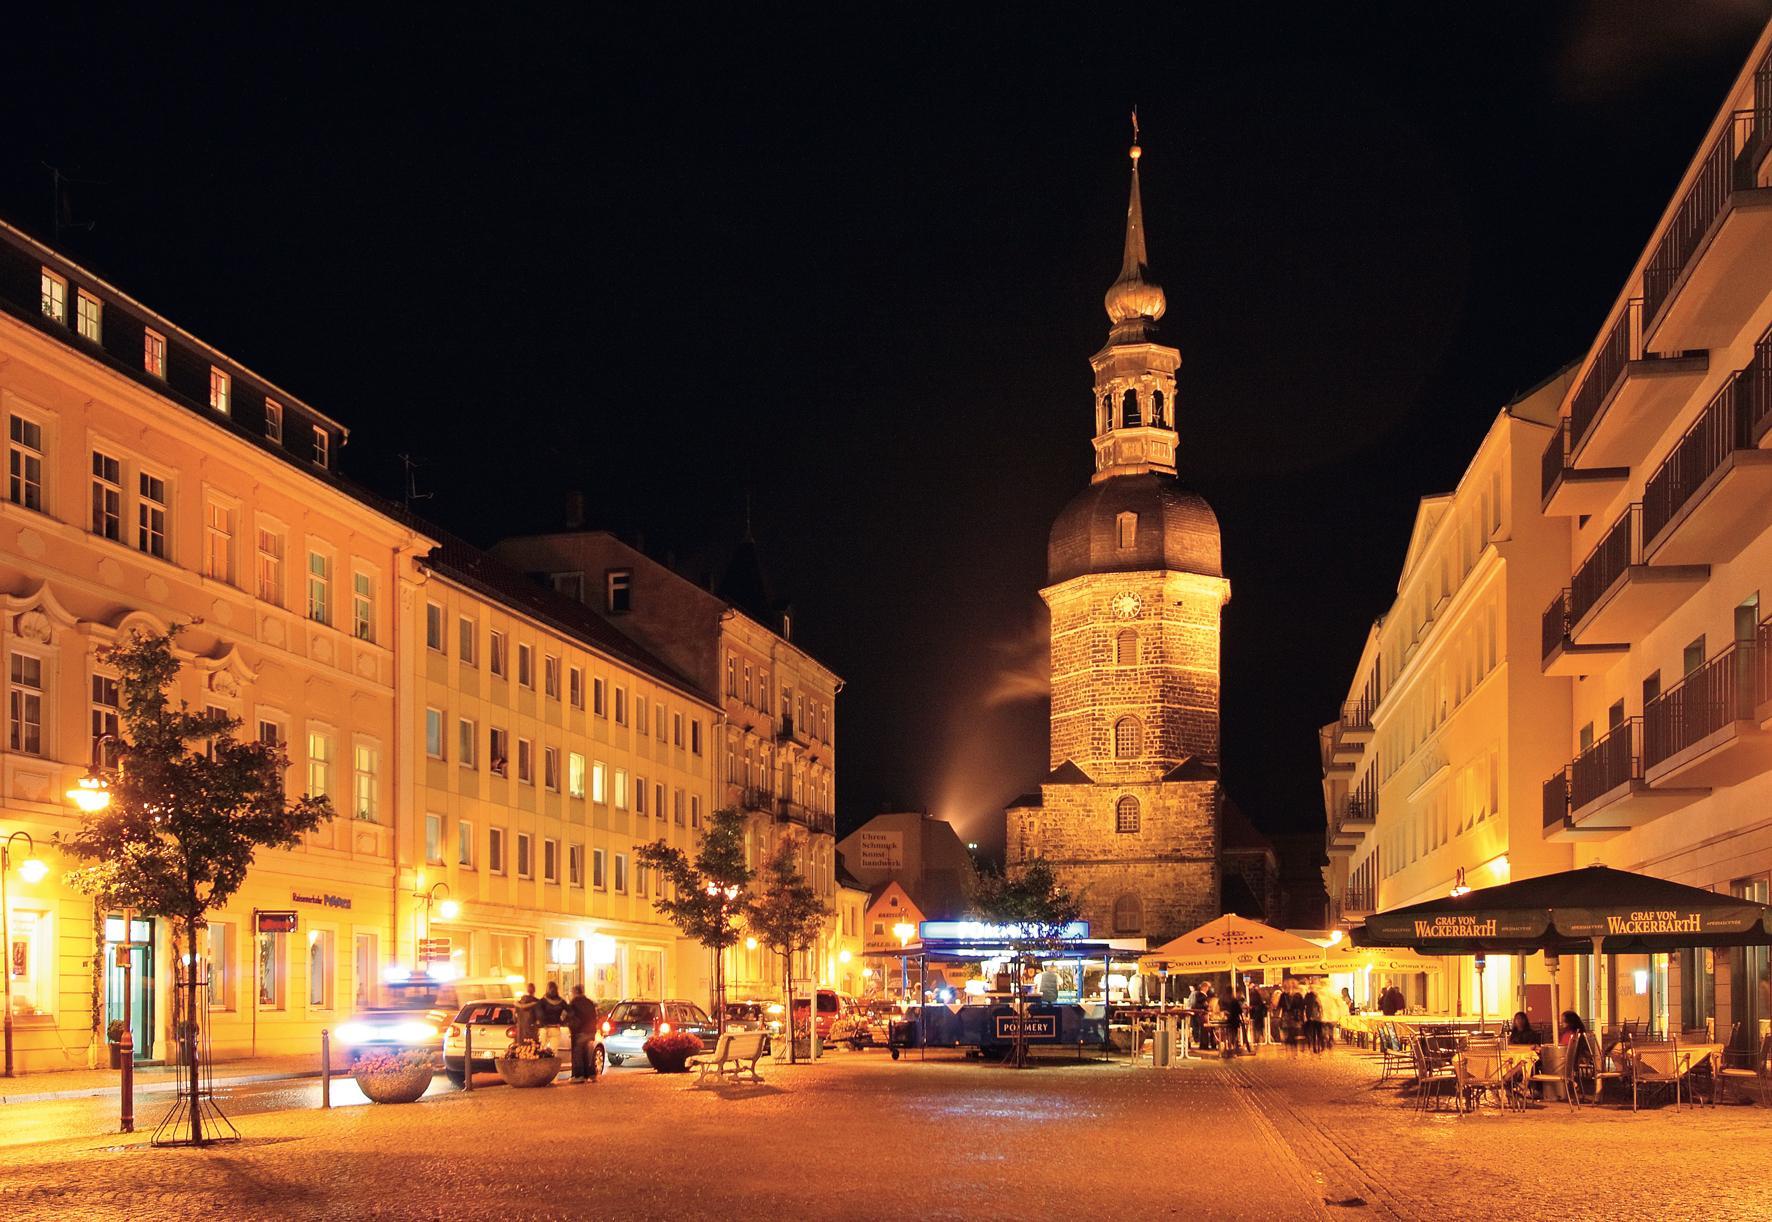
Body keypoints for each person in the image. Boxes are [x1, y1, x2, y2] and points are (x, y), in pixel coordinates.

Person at [566, 985, 599, 1083]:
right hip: (591, 1031)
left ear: (575, 992)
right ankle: (591, 1074)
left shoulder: (574, 1003)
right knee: (588, 1054)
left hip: (580, 1032)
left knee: (578, 1054)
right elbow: (595, 1016)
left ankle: (579, 1075)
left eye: (572, 992)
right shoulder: (589, 1002)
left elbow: (569, 1015)